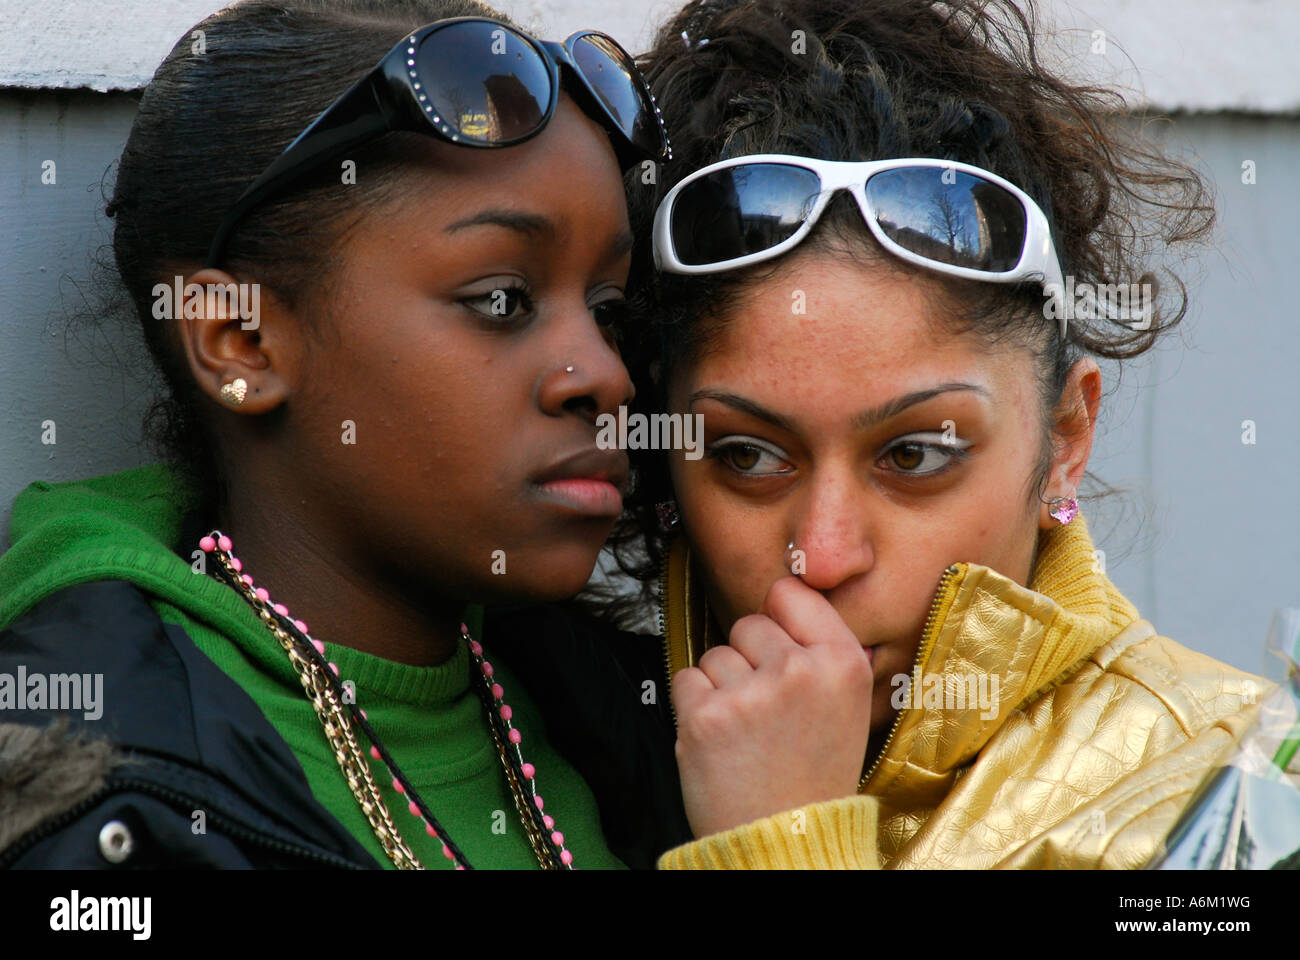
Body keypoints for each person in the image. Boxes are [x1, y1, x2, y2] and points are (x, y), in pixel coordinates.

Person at [0, 0, 691, 870]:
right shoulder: (109, 811)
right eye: (502, 301)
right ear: (241, 343)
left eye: (606, 310)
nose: (605, 375)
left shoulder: (626, 718)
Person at [606, 0, 1268, 868]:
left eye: (915, 455)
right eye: (748, 456)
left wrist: (779, 845)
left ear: (1065, 437)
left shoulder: (1236, 798)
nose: (825, 555)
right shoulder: (552, 749)